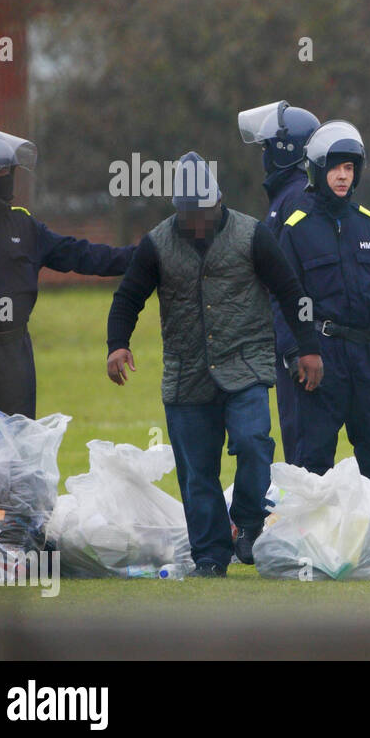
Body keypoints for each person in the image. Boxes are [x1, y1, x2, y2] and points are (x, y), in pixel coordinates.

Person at [105, 152, 323, 577]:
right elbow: (128, 297)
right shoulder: (157, 243)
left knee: (254, 442)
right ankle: (210, 557)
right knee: (197, 473)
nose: (198, 219)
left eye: (204, 209)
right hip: (187, 374)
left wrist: (308, 348)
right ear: (178, 208)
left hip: (246, 364)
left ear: (218, 199)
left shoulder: (252, 234)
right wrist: (118, 344)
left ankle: (249, 519)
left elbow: (290, 290)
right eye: (189, 212)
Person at [0, 129, 135, 463]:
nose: (6, 177)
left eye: (8, 170)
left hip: (15, 354)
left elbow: (81, 254)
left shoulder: (24, 226)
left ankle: (10, 516)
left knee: (15, 451)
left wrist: (141, 257)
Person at [274, 120, 370, 491]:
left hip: (367, 357)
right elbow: (285, 298)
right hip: (321, 357)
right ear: (318, 171)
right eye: (334, 167)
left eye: (349, 168)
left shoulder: (369, 225)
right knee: (313, 461)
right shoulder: (296, 228)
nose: (342, 176)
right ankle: (315, 545)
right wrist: (299, 351)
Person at [238, 100, 321, 461]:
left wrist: (291, 347)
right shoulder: (292, 198)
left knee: (302, 449)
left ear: (283, 151)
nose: (263, 157)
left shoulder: (292, 201)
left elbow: (287, 287)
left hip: (299, 349)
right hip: (301, 343)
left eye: (266, 148)